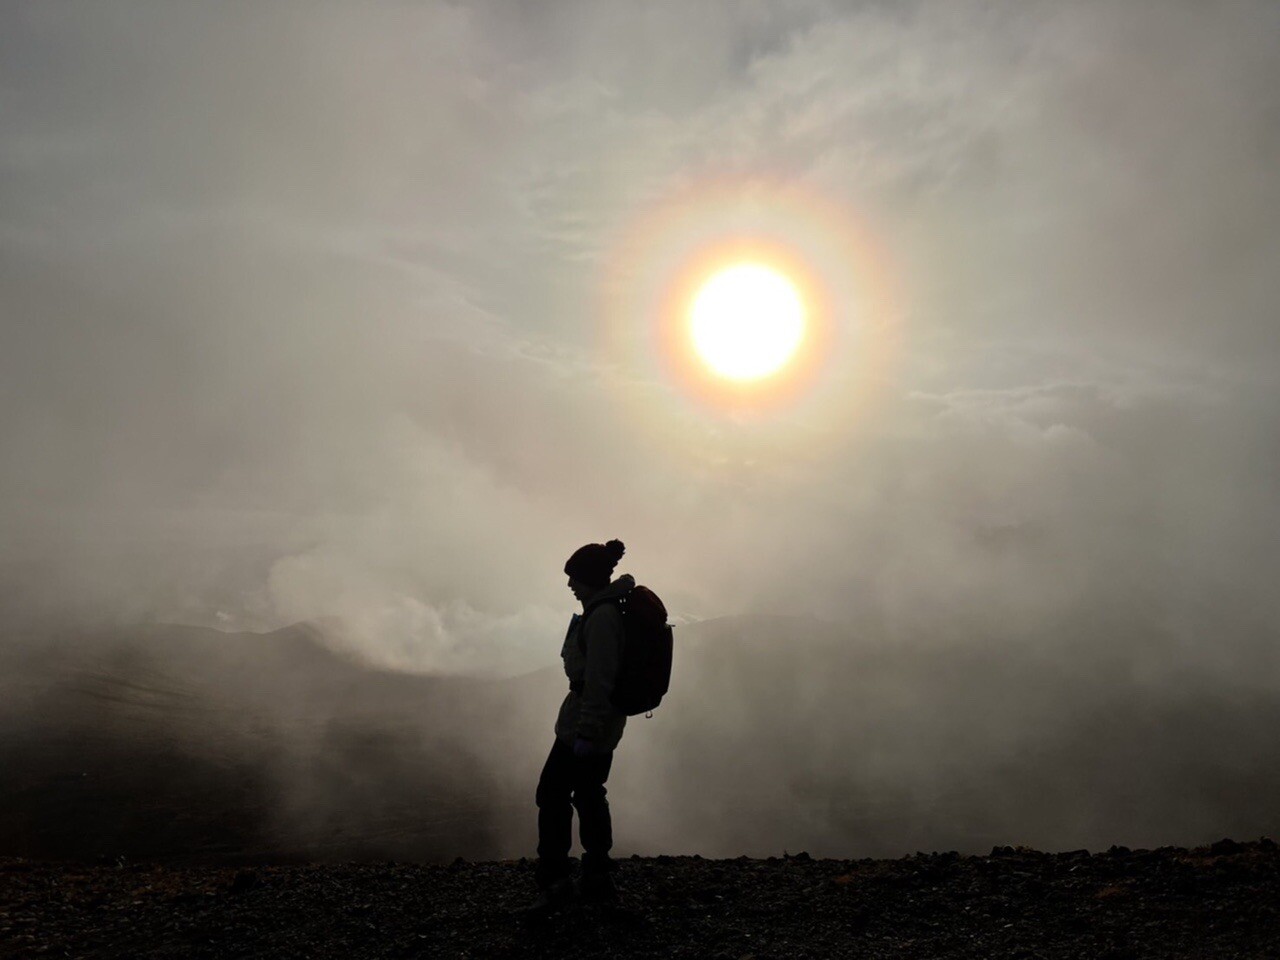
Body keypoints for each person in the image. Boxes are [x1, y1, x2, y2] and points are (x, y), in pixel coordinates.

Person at [527, 538, 632, 914]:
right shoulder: (602, 610)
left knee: (553, 794)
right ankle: (596, 875)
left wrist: (586, 732)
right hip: (592, 724)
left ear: (589, 578)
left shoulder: (602, 617)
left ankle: (557, 882)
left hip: (585, 727)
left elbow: (599, 681)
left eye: (574, 578)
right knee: (588, 794)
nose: (570, 585)